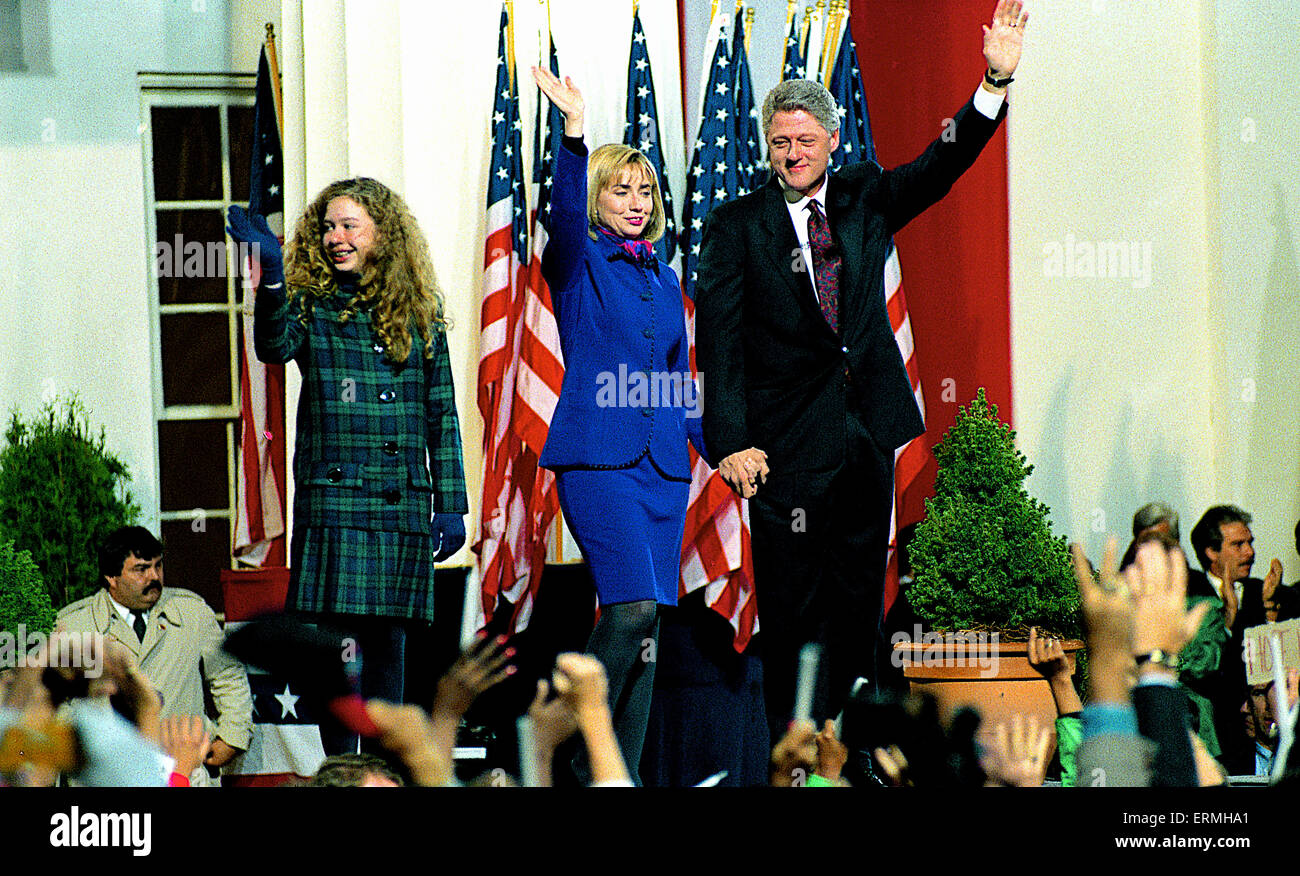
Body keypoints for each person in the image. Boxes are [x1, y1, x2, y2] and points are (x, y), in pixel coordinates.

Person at [695, 0, 1025, 741]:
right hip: (782, 455)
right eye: (780, 141)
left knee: (857, 611)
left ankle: (859, 753)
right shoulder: (735, 226)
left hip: (864, 441)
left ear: (832, 140)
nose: (792, 153)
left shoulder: (865, 195)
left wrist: (992, 82)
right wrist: (729, 444)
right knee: (791, 615)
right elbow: (716, 347)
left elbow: (942, 165)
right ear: (768, 148)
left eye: (805, 139)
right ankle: (795, 754)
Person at [226, 179, 468, 749]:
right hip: (336, 504)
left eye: (349, 225)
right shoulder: (308, 303)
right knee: (337, 657)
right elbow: (273, 345)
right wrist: (273, 273)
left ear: (382, 232)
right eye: (329, 227)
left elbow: (443, 411)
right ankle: (339, 778)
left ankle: (383, 778)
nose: (336, 237)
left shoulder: (420, 310)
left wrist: (451, 503)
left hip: (400, 505)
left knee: (388, 654)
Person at [530, 65, 709, 781]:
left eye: (646, 192)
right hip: (600, 465)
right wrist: (573, 133)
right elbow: (564, 217)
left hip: (662, 470)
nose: (636, 202)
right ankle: (559, 745)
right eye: (620, 189)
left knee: (649, 636)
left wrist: (719, 451)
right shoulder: (579, 262)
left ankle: (616, 778)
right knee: (631, 610)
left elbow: (677, 379)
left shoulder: (663, 278)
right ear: (600, 197)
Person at [56, 526, 253, 784]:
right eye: (141, 569)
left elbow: (228, 675)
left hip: (184, 771)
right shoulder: (74, 626)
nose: (154, 577)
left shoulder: (191, 612)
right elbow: (55, 701)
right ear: (111, 577)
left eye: (158, 566)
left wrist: (232, 736)